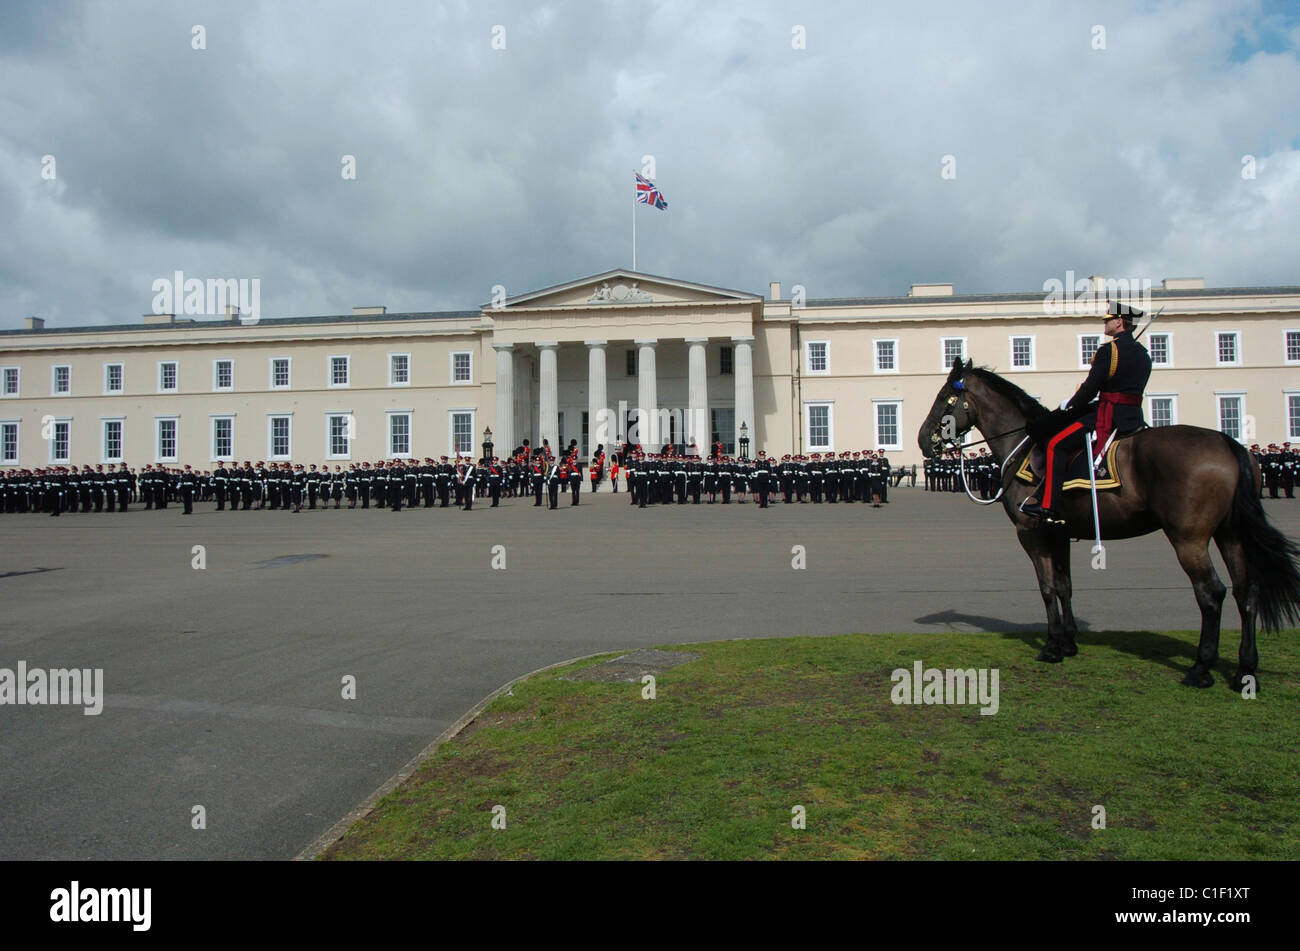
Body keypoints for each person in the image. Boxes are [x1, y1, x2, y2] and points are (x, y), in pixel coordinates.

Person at [1022, 301, 1152, 523]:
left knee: (1055, 444)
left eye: (1108, 319)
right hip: (1133, 416)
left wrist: (1071, 404)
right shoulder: (1143, 353)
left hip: (1108, 415)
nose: (1105, 322)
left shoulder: (1109, 351)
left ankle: (1049, 505)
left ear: (1120, 322)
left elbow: (1091, 387)